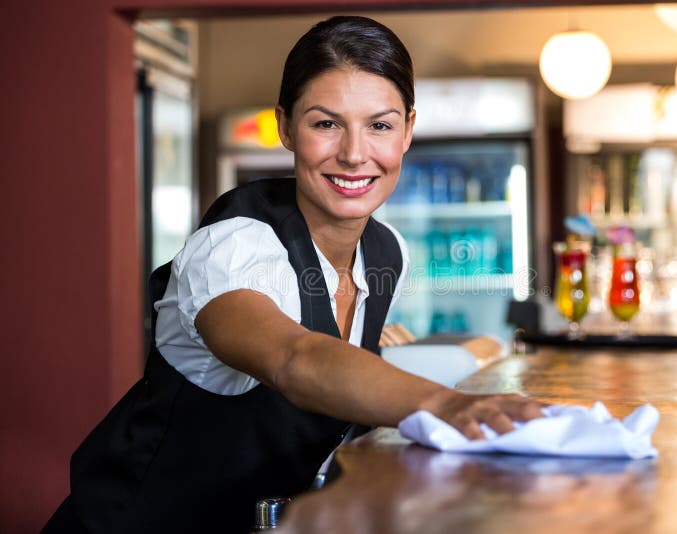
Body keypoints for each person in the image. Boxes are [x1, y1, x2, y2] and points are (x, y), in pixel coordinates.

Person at [43, 15, 545, 533]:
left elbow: (337, 377)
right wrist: (448, 405)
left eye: (380, 125)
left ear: (408, 130)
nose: (354, 154)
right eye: (325, 123)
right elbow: (295, 358)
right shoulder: (233, 247)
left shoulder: (387, 251)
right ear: (285, 127)